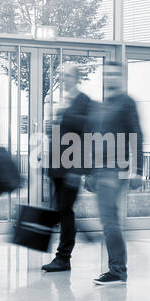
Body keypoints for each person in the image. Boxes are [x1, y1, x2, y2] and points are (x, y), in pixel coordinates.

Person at [90, 60, 142, 285]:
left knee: (109, 220)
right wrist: (90, 171)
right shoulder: (105, 104)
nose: (109, 78)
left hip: (115, 169)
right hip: (102, 169)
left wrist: (138, 169)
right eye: (106, 74)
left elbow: (136, 134)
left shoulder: (126, 103)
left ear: (122, 78)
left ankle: (118, 270)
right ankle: (117, 268)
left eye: (114, 74)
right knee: (108, 220)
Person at [41, 63, 94, 273]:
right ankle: (81, 238)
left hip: (70, 166)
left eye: (66, 76)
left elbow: (86, 136)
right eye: (60, 75)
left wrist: (78, 170)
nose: (62, 79)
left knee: (64, 210)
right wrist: (51, 129)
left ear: (76, 78)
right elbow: (62, 132)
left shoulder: (84, 102)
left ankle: (63, 257)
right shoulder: (62, 101)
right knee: (61, 209)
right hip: (57, 165)